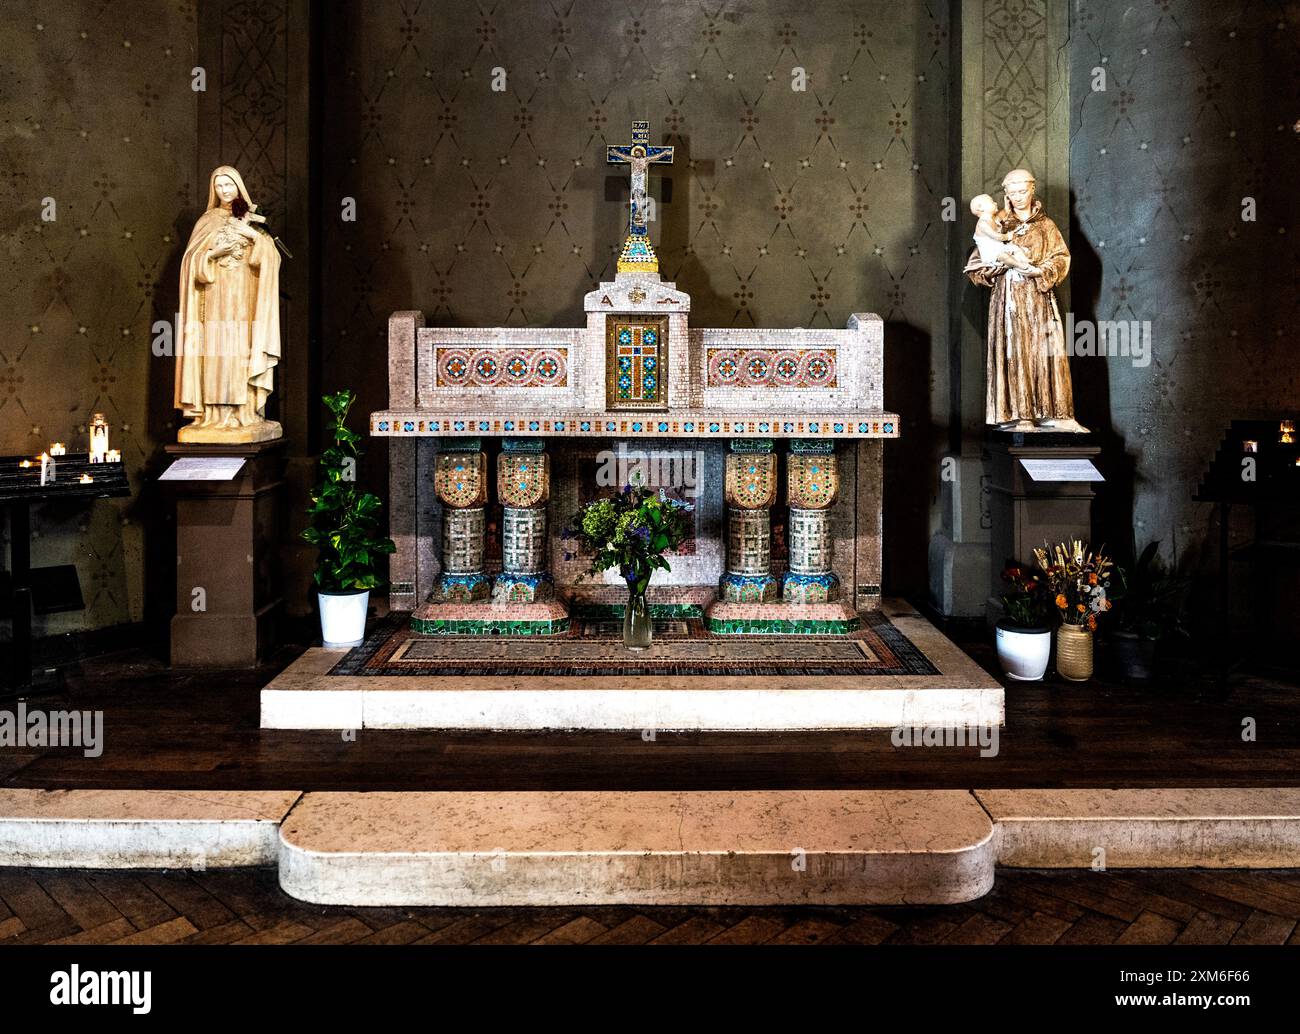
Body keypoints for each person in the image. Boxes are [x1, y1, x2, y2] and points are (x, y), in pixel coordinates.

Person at [174, 165, 282, 441]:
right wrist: (212, 253)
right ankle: (213, 416)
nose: (224, 190)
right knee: (216, 352)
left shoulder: (253, 219)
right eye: (219, 186)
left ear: (238, 186)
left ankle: (244, 413)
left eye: (229, 184)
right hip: (214, 301)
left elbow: (270, 259)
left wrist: (252, 236)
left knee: (241, 352)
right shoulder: (207, 221)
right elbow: (190, 264)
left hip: (245, 299)